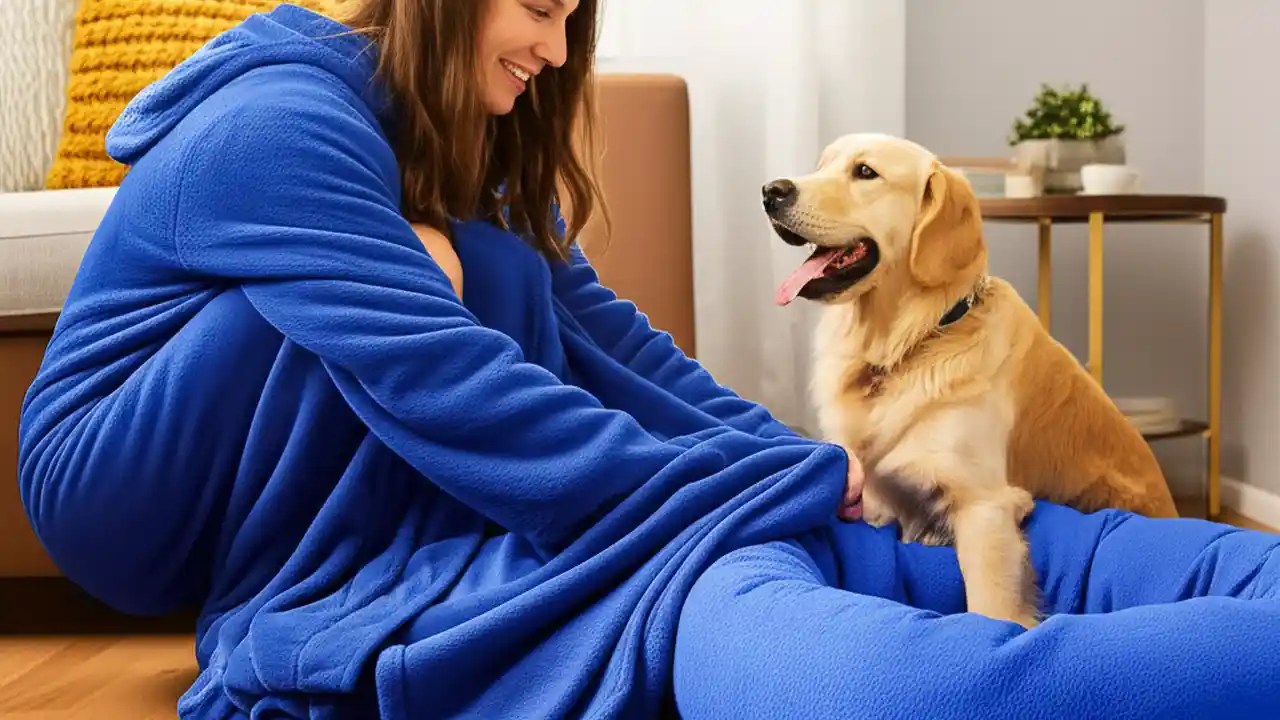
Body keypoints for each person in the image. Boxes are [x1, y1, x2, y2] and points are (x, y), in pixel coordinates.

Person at [16, 1, 1279, 718]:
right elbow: (440, 377)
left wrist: (806, 464)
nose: (556, 51)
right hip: (123, 486)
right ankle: (392, 561)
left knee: (502, 282)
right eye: (533, 9)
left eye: (570, 17)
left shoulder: (460, 146)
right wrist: (763, 491)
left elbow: (613, 344)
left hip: (385, 427)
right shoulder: (274, 128)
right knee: (431, 286)